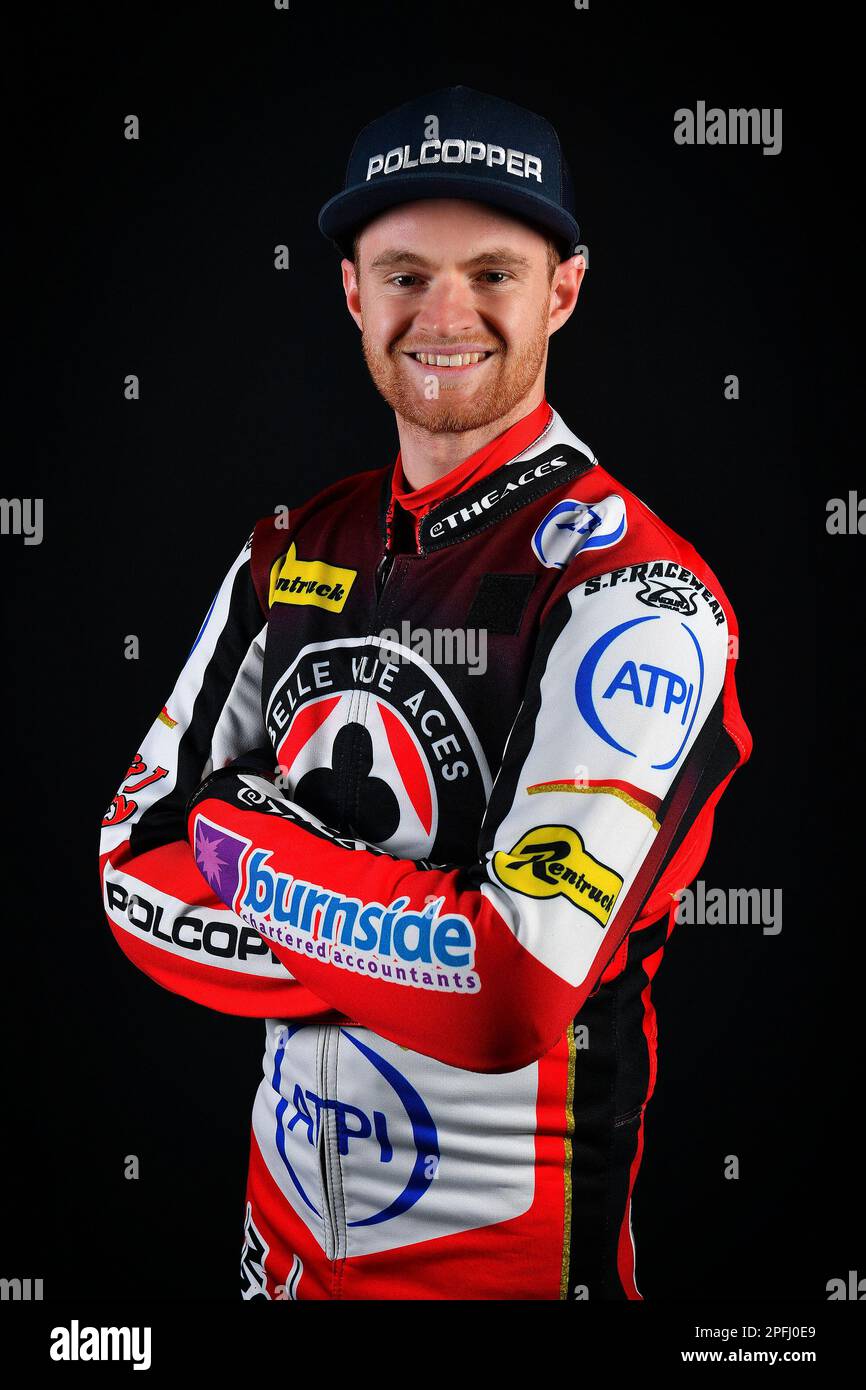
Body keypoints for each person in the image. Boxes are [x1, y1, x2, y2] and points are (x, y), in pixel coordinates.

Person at [99, 85, 752, 1300]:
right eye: (403, 274)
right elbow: (126, 869)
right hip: (274, 1261)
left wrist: (239, 833)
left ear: (561, 289)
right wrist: (416, 938)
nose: (442, 315)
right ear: (350, 290)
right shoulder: (286, 544)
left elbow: (508, 994)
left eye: (490, 273)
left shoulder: (638, 596)